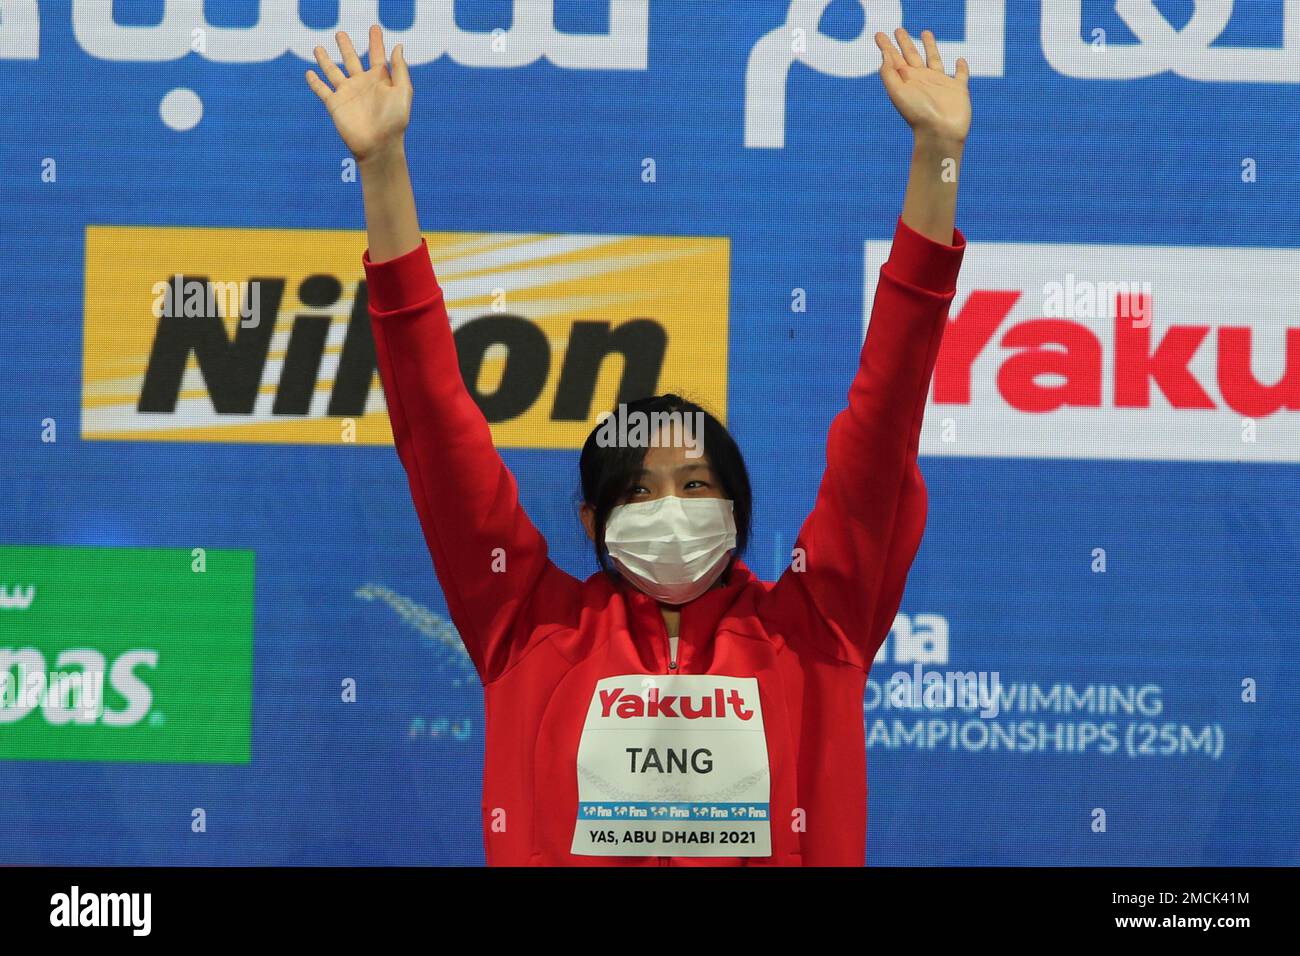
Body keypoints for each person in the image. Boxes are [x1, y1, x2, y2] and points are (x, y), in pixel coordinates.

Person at [307, 23, 970, 866]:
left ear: (736, 508)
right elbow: (436, 430)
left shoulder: (816, 627)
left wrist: (939, 156)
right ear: (591, 519)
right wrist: (382, 167)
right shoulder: (522, 626)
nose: (670, 508)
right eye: (641, 489)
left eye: (696, 485)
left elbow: (886, 419)